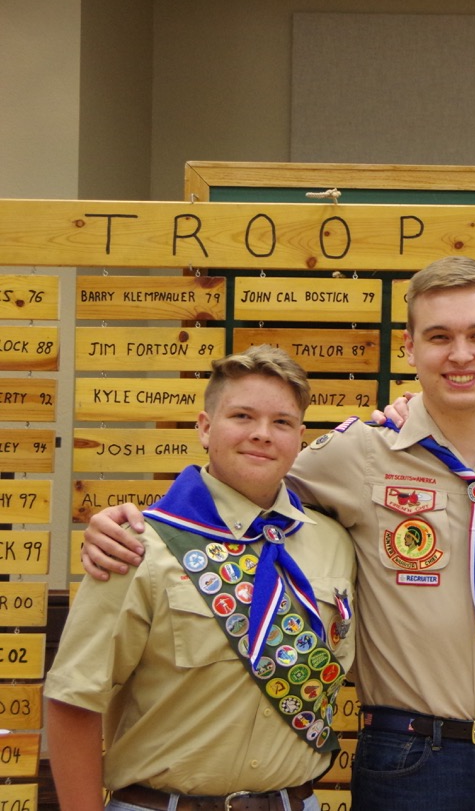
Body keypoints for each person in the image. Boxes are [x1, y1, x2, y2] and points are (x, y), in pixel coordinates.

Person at [81, 257, 475, 811]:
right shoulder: (355, 454)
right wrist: (131, 524)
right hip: (410, 756)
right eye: (439, 336)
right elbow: (242, 488)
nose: (460, 354)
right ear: (409, 346)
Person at [46, 345, 357, 811]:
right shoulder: (136, 546)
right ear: (205, 427)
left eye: (282, 422)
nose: (262, 435)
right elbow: (73, 700)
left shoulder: (333, 542)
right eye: (242, 416)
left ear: (300, 437)